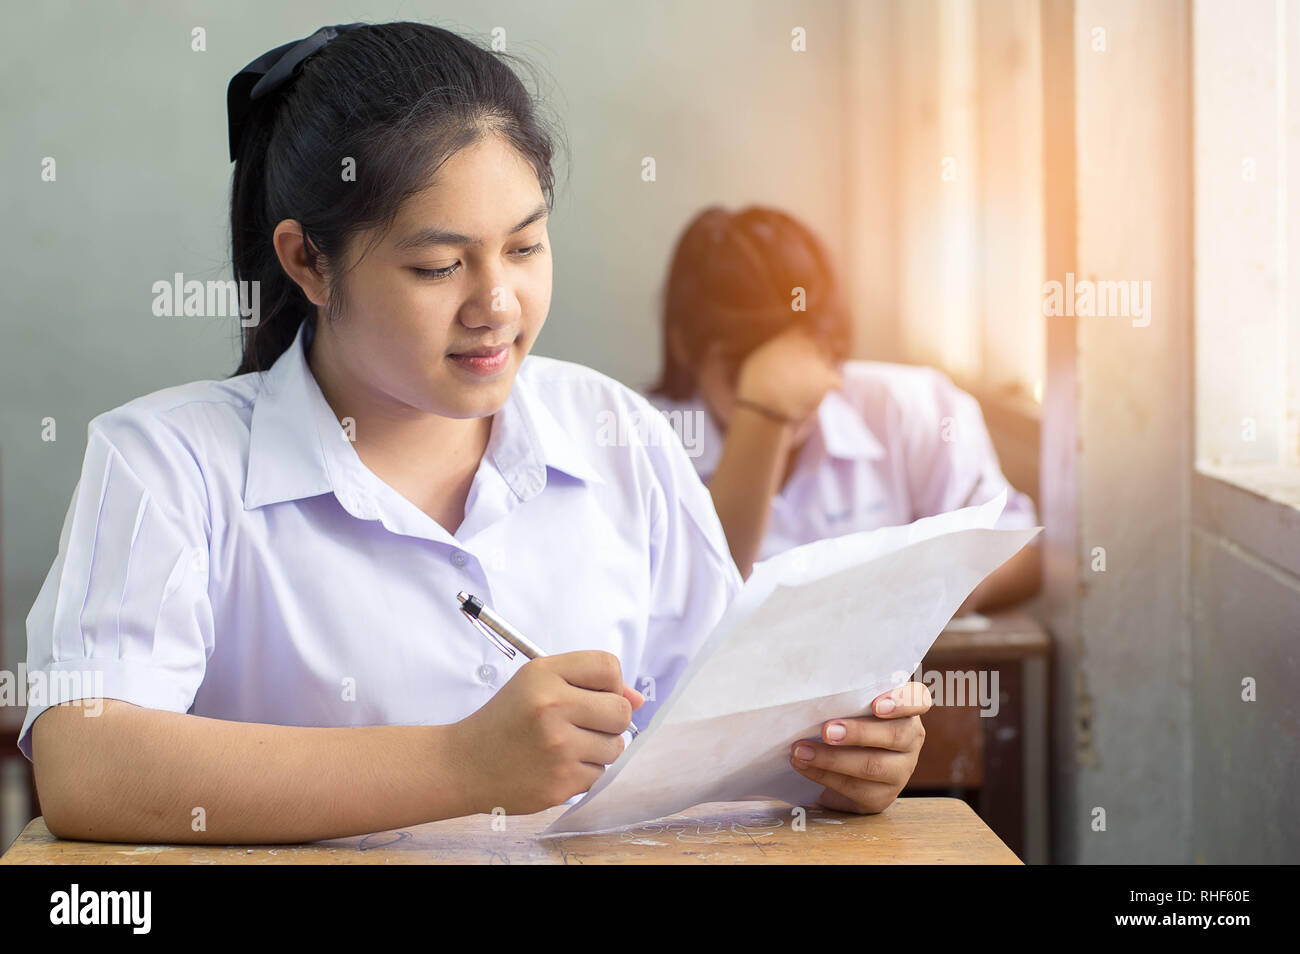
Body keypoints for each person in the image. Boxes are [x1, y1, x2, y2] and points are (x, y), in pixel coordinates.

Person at [20, 23, 931, 844]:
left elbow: (728, 727)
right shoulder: (169, 463)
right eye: (439, 265)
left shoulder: (614, 431)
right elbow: (86, 765)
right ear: (308, 261)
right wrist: (461, 765)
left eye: (526, 248)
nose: (496, 305)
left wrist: (835, 760)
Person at [645, 205, 1043, 604]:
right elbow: (688, 607)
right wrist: (762, 418)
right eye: (742, 372)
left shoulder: (912, 409)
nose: (789, 386)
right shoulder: (639, 444)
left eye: (802, 356)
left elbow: (1017, 550)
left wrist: (935, 589)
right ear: (686, 349)